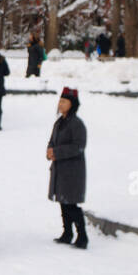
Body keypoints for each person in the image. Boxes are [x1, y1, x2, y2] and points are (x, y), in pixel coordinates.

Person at [47, 86, 88, 249]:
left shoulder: (77, 124)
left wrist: (56, 152)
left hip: (72, 171)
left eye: (64, 101)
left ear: (72, 104)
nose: (61, 104)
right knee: (63, 202)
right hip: (60, 169)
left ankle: (82, 235)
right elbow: (52, 140)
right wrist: (49, 151)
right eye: (60, 101)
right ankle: (67, 233)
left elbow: (79, 146)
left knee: (71, 204)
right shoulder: (59, 123)